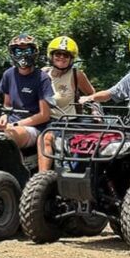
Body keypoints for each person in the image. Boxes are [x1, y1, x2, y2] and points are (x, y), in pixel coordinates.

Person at [38, 36, 95, 171]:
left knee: (46, 138)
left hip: (67, 121)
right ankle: (38, 178)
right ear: (51, 56)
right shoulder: (43, 73)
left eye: (66, 55)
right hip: (44, 119)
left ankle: (41, 179)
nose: (62, 57)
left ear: (71, 58)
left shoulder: (76, 75)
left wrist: (92, 108)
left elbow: (92, 95)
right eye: (58, 54)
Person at [0, 34, 54, 149]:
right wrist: (3, 117)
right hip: (11, 123)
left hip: (34, 127)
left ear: (34, 52)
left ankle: (14, 167)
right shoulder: (8, 74)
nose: (23, 55)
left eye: (27, 51)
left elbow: (44, 115)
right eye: (18, 51)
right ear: (12, 53)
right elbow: (7, 105)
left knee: (5, 139)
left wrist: (15, 125)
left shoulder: (42, 78)